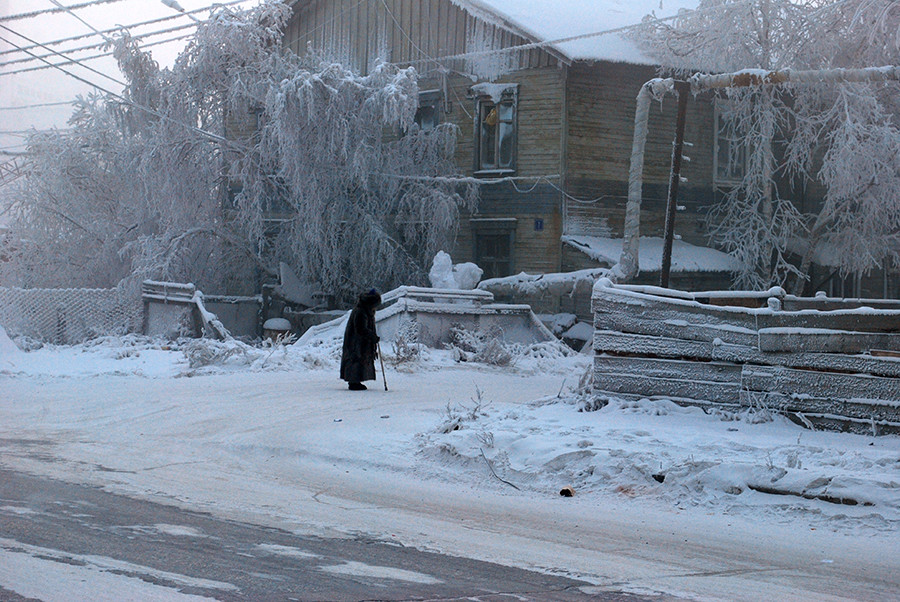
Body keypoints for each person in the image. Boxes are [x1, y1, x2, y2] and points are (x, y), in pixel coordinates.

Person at [340, 289, 381, 390]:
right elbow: (361, 328)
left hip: (358, 341)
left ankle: (356, 380)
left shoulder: (364, 310)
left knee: (358, 359)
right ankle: (354, 381)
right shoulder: (361, 311)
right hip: (356, 342)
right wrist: (372, 336)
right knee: (356, 358)